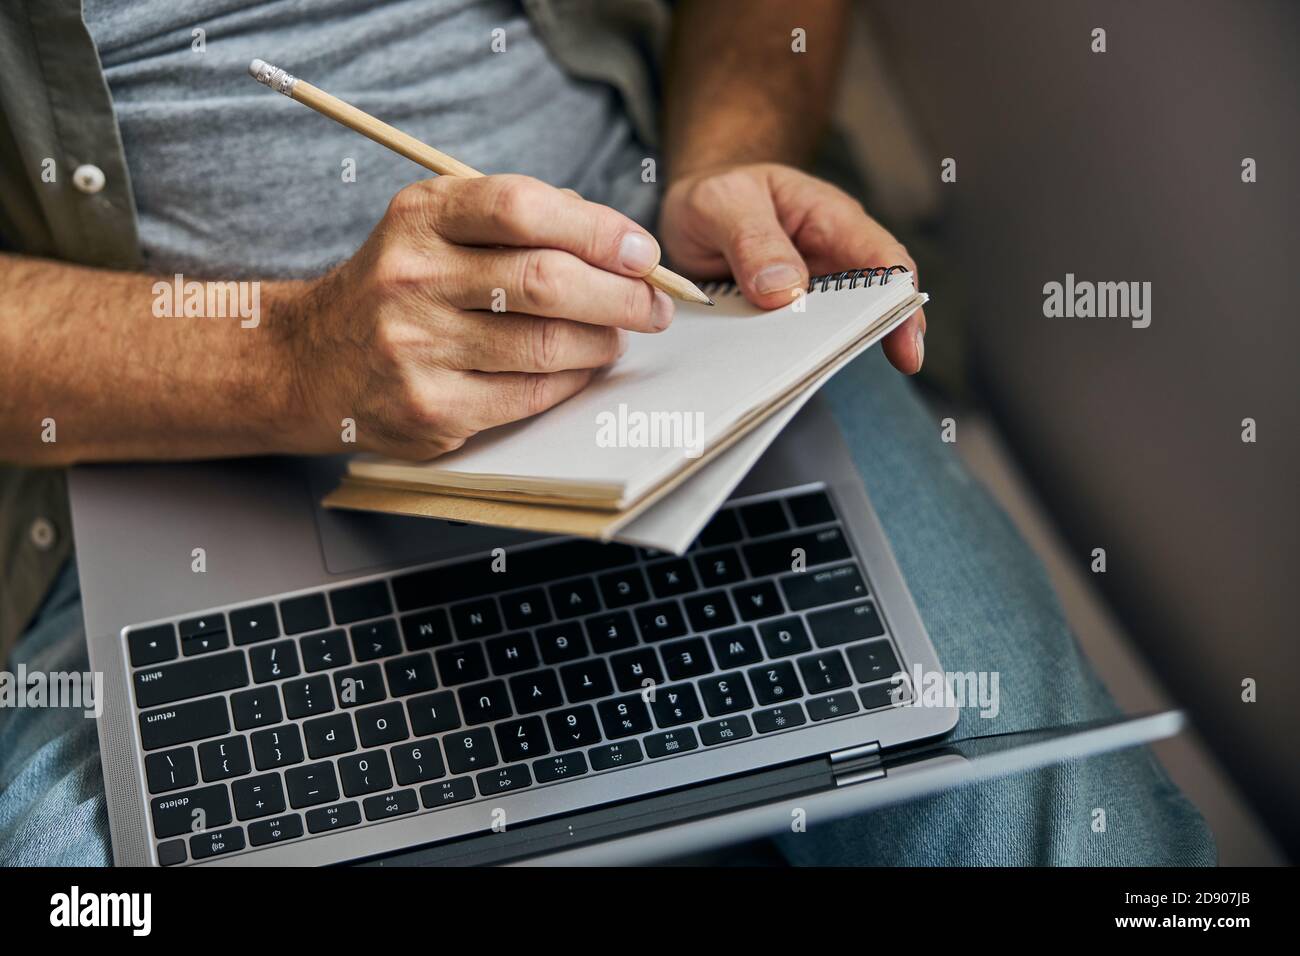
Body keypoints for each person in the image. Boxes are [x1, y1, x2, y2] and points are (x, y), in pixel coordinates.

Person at [0, 0, 1212, 865]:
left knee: (1059, 815)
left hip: (672, 332)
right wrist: (288, 356)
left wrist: (726, 157)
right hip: (154, 435)